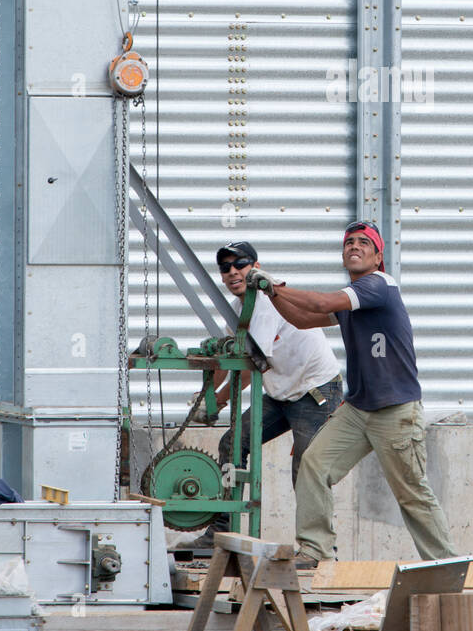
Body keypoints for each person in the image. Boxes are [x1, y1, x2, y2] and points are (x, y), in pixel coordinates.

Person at [246, 221, 456, 569]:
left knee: (412, 493)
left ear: (377, 256)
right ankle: (315, 550)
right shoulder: (353, 297)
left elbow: (319, 302)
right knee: (313, 464)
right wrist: (272, 294)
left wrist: (275, 283)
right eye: (349, 243)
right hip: (358, 408)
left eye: (363, 243)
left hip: (395, 412)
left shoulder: (379, 286)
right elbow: (302, 318)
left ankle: (446, 565)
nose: (354, 247)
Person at [191, 241, 343, 550]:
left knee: (308, 467)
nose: (233, 272)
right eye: (225, 268)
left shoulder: (263, 301)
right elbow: (230, 353)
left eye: (240, 264)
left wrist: (218, 401)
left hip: (315, 391)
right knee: (232, 444)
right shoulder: (240, 308)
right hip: (280, 393)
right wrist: (206, 396)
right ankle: (221, 530)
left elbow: (251, 366)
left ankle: (317, 549)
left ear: (256, 267)